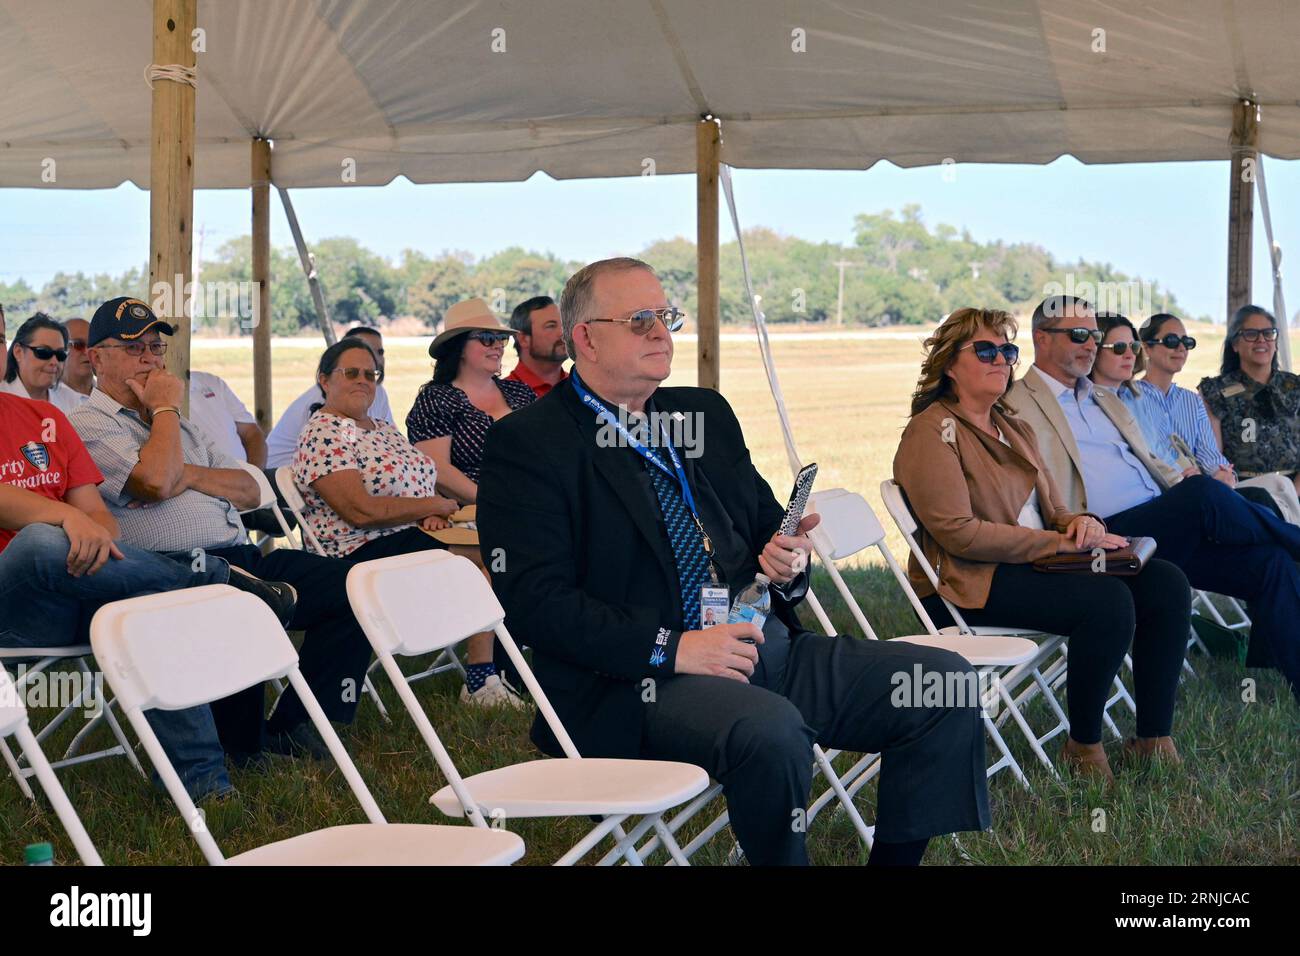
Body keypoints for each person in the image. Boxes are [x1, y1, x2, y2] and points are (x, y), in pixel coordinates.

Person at [478, 257, 990, 866]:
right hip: (642, 681)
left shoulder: (703, 416)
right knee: (771, 733)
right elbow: (538, 607)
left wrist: (787, 560)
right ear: (585, 338)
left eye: (665, 317)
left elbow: (769, 532)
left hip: (762, 647)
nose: (660, 332)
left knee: (945, 685)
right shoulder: (531, 444)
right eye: (639, 319)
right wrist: (675, 649)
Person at [70, 297, 380, 760]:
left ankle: (296, 725)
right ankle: (241, 749)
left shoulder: (186, 430)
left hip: (241, 553)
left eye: (156, 348)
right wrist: (164, 414)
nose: (151, 360)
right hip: (176, 572)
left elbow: (252, 490)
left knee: (355, 589)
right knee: (247, 601)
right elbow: (154, 480)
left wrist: (188, 474)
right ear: (96, 358)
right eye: (134, 348)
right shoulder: (85, 424)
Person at [894, 308, 1191, 780]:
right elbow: (959, 534)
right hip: (971, 584)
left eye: (1007, 351)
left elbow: (1056, 508)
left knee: (1166, 582)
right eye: (985, 351)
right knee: (1107, 601)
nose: (1001, 360)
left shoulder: (1011, 424)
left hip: (1039, 564)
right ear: (949, 364)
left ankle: (1153, 737)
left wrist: (1082, 526)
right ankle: (1084, 747)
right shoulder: (932, 432)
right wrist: (1054, 544)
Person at [0, 389, 297, 802]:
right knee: (39, 543)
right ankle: (211, 580)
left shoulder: (42, 416)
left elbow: (97, 512)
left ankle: (202, 784)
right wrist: (69, 519)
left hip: (75, 587)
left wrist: (97, 534)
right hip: (12, 608)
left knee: (146, 609)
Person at [1003, 295, 1300, 704]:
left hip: (1161, 529)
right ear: (1041, 337)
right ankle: (1294, 538)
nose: (1090, 344)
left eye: (1093, 335)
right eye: (1079, 335)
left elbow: (1156, 460)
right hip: (1106, 536)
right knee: (1201, 495)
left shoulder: (1104, 398)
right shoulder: (1016, 403)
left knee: (1272, 562)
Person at [292, 337, 522, 707]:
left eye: (372, 374)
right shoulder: (325, 431)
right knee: (490, 553)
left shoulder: (381, 427)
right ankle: (481, 679)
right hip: (359, 553)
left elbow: (419, 477)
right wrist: (427, 507)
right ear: (324, 380)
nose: (363, 380)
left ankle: (500, 668)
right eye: (351, 372)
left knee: (508, 543)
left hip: (409, 536)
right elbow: (360, 511)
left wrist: (428, 511)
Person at [407, 298, 535, 505]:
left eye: (501, 338)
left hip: (537, 505)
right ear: (459, 347)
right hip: (476, 517)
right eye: (486, 338)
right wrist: (496, 503)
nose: (497, 346)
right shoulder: (437, 399)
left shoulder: (521, 393)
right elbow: (437, 468)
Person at [1199, 305, 1300, 498]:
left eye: (1268, 333)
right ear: (1235, 345)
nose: (1261, 339)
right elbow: (1213, 456)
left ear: (1276, 342)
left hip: (1294, 489)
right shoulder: (1215, 391)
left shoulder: (1295, 387)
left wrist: (1291, 494)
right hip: (1242, 492)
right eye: (1251, 334)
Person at [265, 326, 394, 469]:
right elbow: (348, 452)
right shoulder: (331, 399)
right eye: (352, 372)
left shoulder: (376, 392)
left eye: (380, 352)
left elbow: (388, 442)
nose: (374, 357)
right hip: (282, 480)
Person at [1, 313, 87, 414]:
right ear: (18, 352)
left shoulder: (73, 402)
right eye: (44, 352)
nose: (54, 362)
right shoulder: (3, 395)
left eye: (60, 354)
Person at [505, 295, 569, 397]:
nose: (562, 332)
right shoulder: (504, 396)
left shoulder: (580, 388)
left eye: (564, 325)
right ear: (523, 339)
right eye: (551, 326)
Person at [60, 318, 96, 397]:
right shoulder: (48, 400)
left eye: (91, 344)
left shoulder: (113, 394)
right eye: (78, 345)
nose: (87, 352)